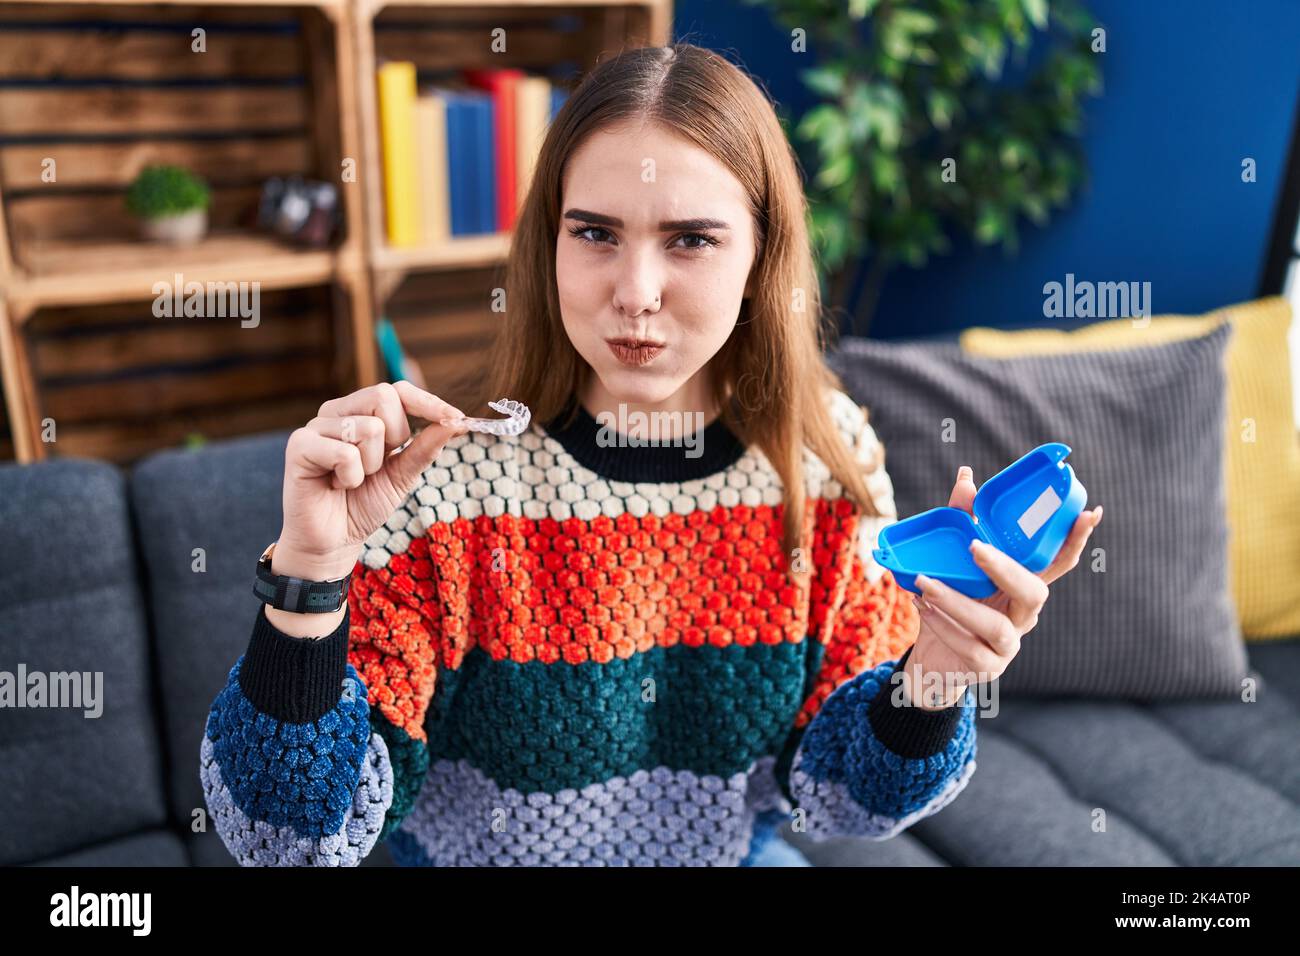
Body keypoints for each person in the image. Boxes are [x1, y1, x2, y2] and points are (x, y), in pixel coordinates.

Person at [199, 43, 1102, 867]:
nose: (635, 294)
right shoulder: (445, 489)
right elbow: (292, 840)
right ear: (549, 242)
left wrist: (933, 680)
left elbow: (842, 796)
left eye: (691, 240)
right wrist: (309, 579)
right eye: (595, 232)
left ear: (761, 256)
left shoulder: (826, 465)